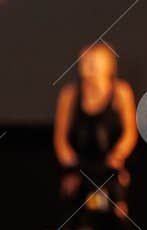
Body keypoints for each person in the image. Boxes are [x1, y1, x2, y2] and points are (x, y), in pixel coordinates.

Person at [53, 41, 137, 209]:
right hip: (79, 167)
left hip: (110, 168)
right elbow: (60, 139)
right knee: (74, 204)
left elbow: (130, 134)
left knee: (115, 205)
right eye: (85, 60)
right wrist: (71, 165)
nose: (89, 65)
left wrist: (116, 157)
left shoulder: (121, 92)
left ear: (108, 65)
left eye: (94, 60)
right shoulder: (69, 95)